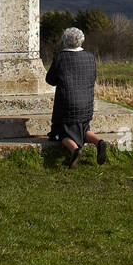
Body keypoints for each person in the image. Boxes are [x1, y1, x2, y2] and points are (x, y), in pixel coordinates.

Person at [45, 26, 108, 168]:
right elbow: (92, 78)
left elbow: (50, 80)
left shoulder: (60, 57)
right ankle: (99, 142)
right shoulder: (90, 57)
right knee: (84, 129)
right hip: (86, 104)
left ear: (64, 41)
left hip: (66, 105)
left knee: (60, 132)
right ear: (81, 40)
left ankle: (75, 150)